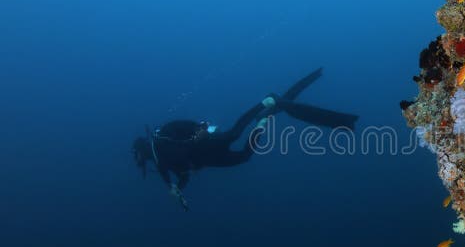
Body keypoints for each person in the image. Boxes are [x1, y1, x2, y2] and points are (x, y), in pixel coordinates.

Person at [132, 68, 357, 210]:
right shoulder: (162, 164)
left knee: (234, 134)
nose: (143, 159)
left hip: (203, 146)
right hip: (207, 160)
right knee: (244, 157)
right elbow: (182, 174)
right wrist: (177, 189)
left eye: (140, 156)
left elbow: (190, 126)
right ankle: (263, 120)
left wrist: (198, 133)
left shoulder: (162, 139)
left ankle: (266, 102)